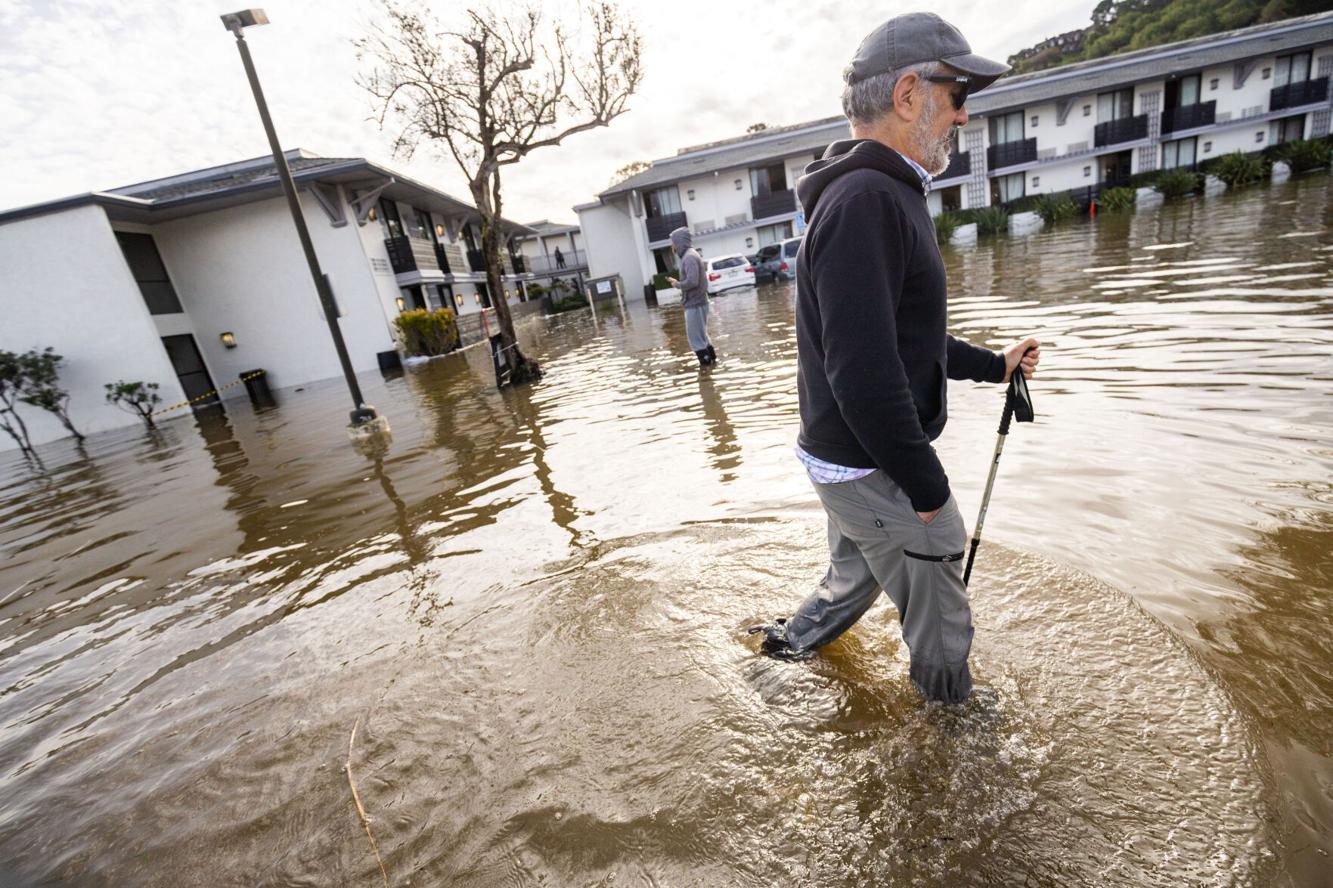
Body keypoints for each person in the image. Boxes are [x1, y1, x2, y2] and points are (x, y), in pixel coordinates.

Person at [752, 13, 1041, 704]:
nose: (964, 117)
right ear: (909, 94)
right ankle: (954, 744)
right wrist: (929, 492)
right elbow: (864, 374)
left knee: (855, 571)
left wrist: (991, 365)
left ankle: (778, 655)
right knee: (938, 576)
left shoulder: (874, 192)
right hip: (864, 459)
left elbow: (896, 339)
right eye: (958, 96)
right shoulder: (866, 199)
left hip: (842, 454)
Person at [667, 227, 717, 366]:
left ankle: (706, 372)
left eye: (673, 242)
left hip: (695, 303)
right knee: (702, 337)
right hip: (699, 301)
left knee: (696, 340)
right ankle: (712, 367)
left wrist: (677, 284)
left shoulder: (688, 257)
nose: (672, 246)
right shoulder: (691, 254)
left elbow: (692, 281)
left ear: (679, 242)